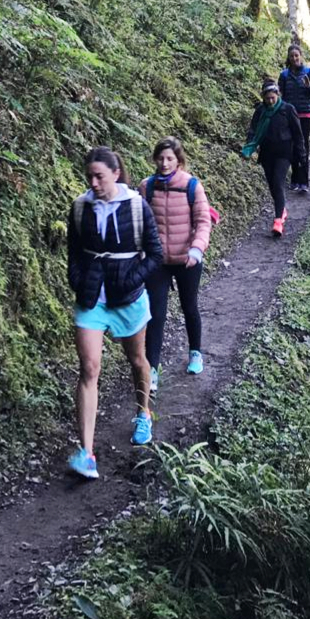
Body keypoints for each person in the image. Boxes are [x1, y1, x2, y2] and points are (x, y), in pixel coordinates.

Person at [67, 147, 164, 478]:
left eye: (100, 176)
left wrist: (132, 278)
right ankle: (87, 452)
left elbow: (154, 253)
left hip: (129, 297)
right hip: (92, 297)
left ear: (116, 174)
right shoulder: (80, 207)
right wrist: (78, 280)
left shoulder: (137, 206)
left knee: (137, 361)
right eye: (89, 176)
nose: (93, 182)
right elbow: (74, 253)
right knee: (89, 369)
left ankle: (143, 413)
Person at [140, 137, 212, 393]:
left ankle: (195, 352)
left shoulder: (192, 186)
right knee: (155, 315)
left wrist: (197, 248)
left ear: (179, 161)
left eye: (170, 158)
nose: (164, 163)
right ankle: (153, 369)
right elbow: (142, 223)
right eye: (160, 158)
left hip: (187, 259)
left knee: (189, 306)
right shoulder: (147, 187)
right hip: (157, 261)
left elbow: (204, 220)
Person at [241, 79, 305, 236]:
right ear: (263, 97)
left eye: (273, 98)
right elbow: (253, 130)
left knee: (278, 182)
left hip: (284, 153)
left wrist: (301, 154)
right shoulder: (260, 111)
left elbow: (298, 134)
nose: (270, 101)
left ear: (278, 95)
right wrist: (249, 145)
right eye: (267, 98)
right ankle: (281, 210)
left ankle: (278, 221)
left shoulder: (288, 109)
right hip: (266, 153)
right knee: (272, 185)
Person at [278, 44, 310, 194]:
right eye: (292, 56)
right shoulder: (284, 75)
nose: (294, 58)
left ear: (301, 56)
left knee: (302, 147)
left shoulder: (309, 72)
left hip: (305, 115)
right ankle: (294, 180)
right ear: (289, 58)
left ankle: (303, 182)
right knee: (291, 147)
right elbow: (280, 96)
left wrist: (309, 86)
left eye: (296, 56)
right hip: (290, 116)